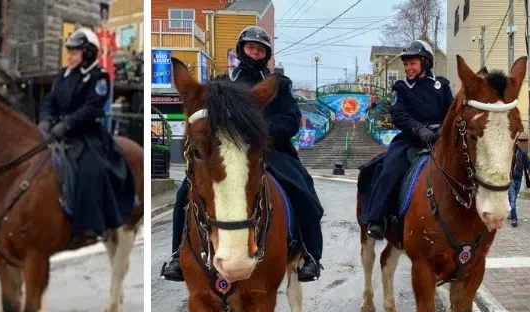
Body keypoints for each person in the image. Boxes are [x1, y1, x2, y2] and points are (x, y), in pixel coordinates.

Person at [160, 26, 325, 283]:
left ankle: (310, 255)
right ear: (241, 50)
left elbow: (291, 120)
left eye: (260, 49)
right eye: (251, 47)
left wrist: (256, 132)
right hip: (227, 152)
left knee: (303, 192)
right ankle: (177, 254)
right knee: (186, 191)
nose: (255, 52)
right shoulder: (221, 83)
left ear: (267, 54)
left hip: (271, 150)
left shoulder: (279, 85)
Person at [38, 28, 136, 241]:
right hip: (57, 130)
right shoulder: (63, 75)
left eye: (75, 52)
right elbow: (49, 101)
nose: (70, 56)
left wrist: (67, 125)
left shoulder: (98, 77)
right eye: (69, 52)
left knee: (92, 169)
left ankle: (92, 225)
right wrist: (45, 121)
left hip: (86, 133)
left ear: (88, 53)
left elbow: (92, 108)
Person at [363, 40, 454, 240]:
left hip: (439, 139)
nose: (408, 68)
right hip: (410, 139)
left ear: (425, 63)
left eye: (412, 63)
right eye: (406, 64)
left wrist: (442, 130)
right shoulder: (401, 87)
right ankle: (377, 219)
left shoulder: (442, 85)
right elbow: (399, 115)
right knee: (390, 169)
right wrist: (419, 129)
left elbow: (452, 113)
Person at [509, 140, 530, 227]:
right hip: (509, 179)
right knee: (512, 199)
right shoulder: (508, 152)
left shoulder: (521, 152)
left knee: (513, 199)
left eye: (516, 141)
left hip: (518, 178)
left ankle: (510, 212)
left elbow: (528, 162)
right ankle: (514, 219)